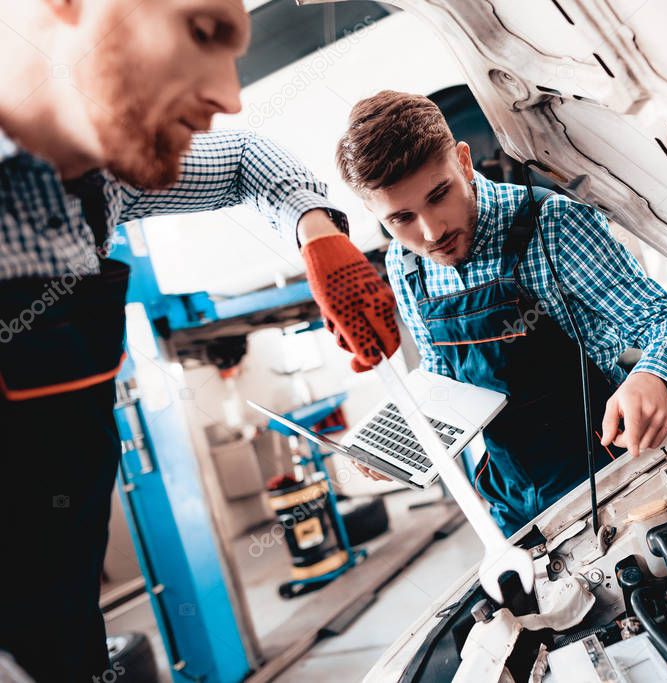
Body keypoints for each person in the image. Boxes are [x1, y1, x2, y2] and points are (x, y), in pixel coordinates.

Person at [0, 1, 398, 679]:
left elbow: (244, 158)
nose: (228, 95)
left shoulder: (98, 188)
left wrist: (318, 232)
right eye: (203, 30)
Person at [335, 90, 667, 537]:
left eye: (439, 195)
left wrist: (654, 376)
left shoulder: (551, 225)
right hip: (509, 502)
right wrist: (403, 436)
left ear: (463, 162)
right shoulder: (405, 265)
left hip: (608, 477)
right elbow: (440, 376)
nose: (431, 231)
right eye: (402, 219)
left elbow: (666, 319)